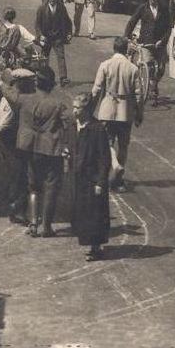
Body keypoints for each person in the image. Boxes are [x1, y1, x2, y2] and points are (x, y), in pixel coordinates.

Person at [0, 66, 69, 238]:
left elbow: (9, 93)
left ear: (37, 83)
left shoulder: (24, 100)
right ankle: (46, 227)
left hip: (30, 148)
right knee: (51, 187)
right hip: (51, 149)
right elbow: (70, 123)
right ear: (52, 84)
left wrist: (2, 81)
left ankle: (33, 224)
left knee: (33, 187)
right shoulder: (58, 104)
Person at [91, 37, 143, 193]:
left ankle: (113, 165)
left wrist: (91, 109)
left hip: (107, 108)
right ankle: (118, 180)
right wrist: (139, 113)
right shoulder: (133, 68)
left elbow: (96, 89)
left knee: (106, 143)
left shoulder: (105, 65)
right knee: (123, 145)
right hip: (125, 111)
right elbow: (139, 95)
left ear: (114, 48)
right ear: (126, 49)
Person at [69, 92, 111, 261]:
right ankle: (89, 243)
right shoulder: (74, 126)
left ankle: (95, 247)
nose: (74, 111)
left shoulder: (97, 129)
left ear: (86, 110)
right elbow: (71, 144)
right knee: (82, 211)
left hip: (92, 178)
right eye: (74, 107)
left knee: (95, 213)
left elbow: (104, 158)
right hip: (78, 176)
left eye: (77, 108)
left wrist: (100, 182)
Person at [0, 67, 32, 224]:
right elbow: (4, 124)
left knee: (16, 174)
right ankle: (17, 210)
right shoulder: (17, 98)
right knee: (19, 175)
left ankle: (15, 206)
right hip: (12, 139)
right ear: (20, 83)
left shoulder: (8, 96)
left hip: (8, 139)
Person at [124, 0, 170, 105]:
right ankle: (151, 89)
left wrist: (162, 41)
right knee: (149, 66)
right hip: (146, 42)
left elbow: (168, 28)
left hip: (160, 43)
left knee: (161, 69)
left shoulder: (164, 9)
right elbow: (132, 21)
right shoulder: (142, 8)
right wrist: (127, 36)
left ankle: (153, 83)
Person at [34, 0, 73, 86]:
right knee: (44, 58)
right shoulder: (42, 8)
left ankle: (63, 78)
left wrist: (69, 33)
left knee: (61, 56)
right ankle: (44, 77)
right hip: (46, 37)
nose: (52, 0)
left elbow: (68, 21)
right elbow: (37, 24)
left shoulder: (61, 8)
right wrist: (40, 35)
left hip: (58, 37)